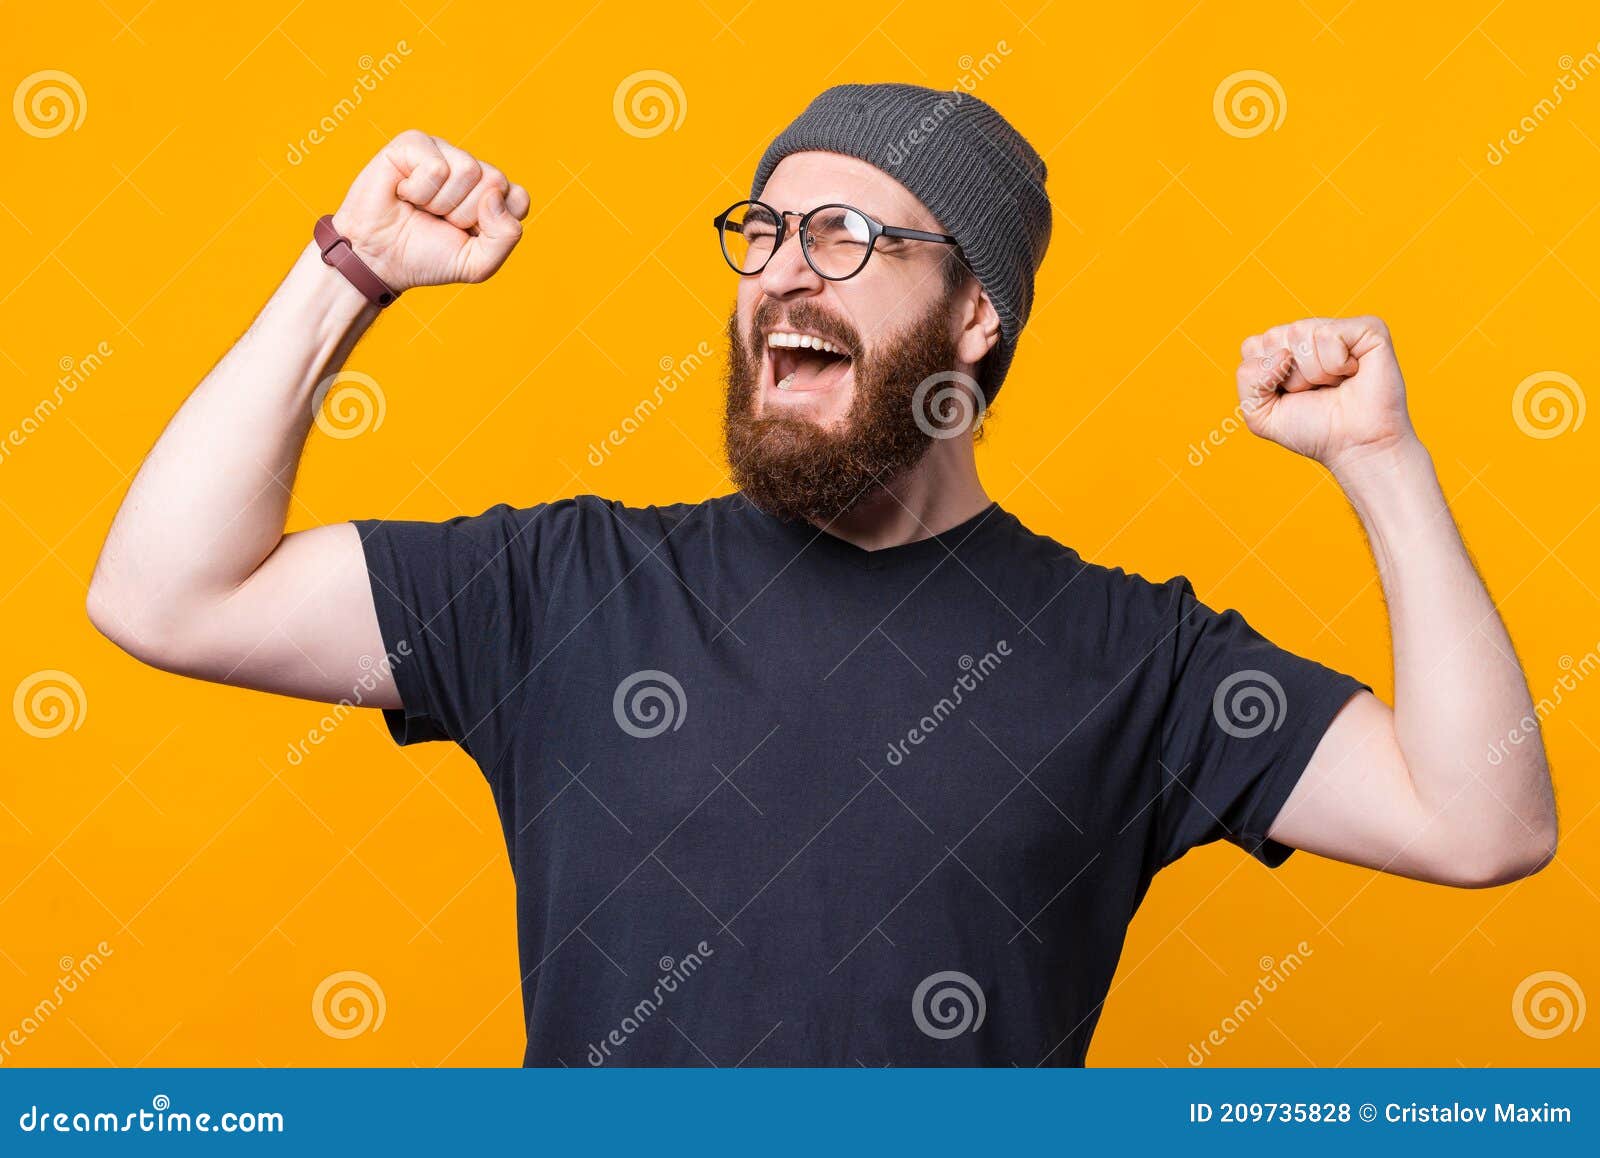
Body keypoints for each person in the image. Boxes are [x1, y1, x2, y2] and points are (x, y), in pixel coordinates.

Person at [87, 84, 1557, 1066]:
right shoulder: (570, 586)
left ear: (975, 313)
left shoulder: (1132, 657)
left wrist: (1382, 463)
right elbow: (166, 595)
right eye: (763, 233)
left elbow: (1483, 819)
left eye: (847, 235)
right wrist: (350, 273)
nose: (784, 268)